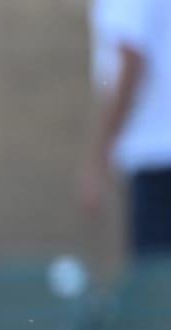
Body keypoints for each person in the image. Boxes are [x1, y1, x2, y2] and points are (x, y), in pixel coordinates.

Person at [82, 0, 171, 256]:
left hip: (156, 158)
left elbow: (132, 61)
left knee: (155, 283)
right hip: (157, 156)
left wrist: (99, 159)